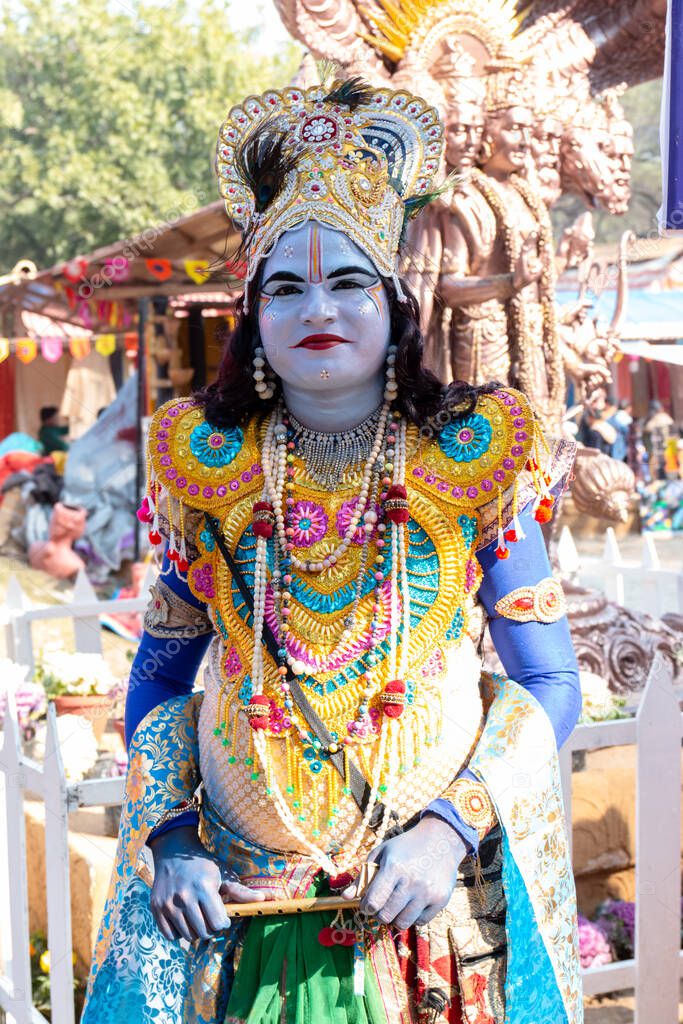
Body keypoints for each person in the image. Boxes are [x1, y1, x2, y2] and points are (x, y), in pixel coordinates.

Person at [83, 79, 582, 1024]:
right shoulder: (208, 467)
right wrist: (173, 840)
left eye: (349, 281)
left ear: (395, 304)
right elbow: (157, 682)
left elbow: (548, 683)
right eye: (285, 287)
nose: (318, 306)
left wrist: (446, 831)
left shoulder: (474, 454)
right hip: (242, 918)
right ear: (254, 318)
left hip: (428, 915)